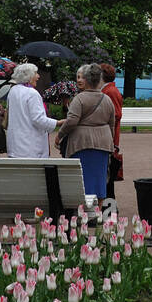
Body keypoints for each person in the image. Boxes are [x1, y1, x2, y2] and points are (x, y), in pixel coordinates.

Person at [57, 64, 116, 203]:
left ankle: (81, 212)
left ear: (87, 80)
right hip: (103, 143)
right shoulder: (107, 99)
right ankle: (97, 213)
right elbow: (112, 124)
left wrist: (59, 135)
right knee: (99, 179)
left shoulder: (79, 99)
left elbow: (71, 121)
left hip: (81, 143)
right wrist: (110, 142)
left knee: (81, 179)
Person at [6, 63, 58, 160]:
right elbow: (38, 119)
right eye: (35, 73)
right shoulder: (32, 93)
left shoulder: (13, 91)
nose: (38, 76)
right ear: (28, 76)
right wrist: (58, 123)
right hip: (30, 147)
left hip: (15, 145)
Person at [100, 63, 123, 200]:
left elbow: (115, 115)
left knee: (108, 174)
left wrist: (112, 142)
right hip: (110, 138)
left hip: (110, 139)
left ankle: (110, 204)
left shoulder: (110, 91)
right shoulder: (109, 90)